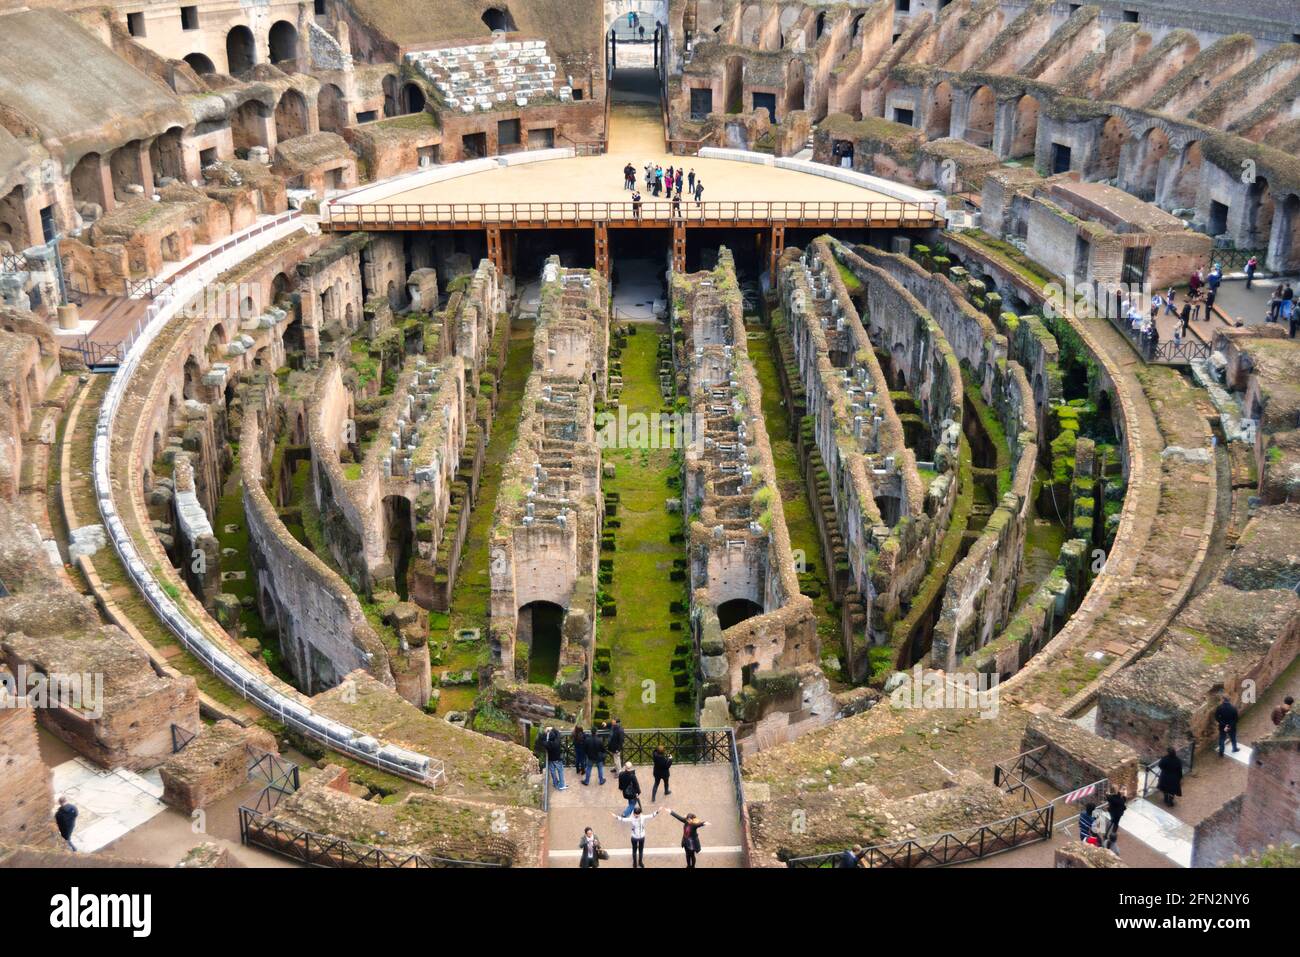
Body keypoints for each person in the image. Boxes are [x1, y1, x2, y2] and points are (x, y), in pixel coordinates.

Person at [544, 726, 567, 790]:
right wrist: (552, 728)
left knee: (553, 771)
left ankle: (555, 783)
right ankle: (562, 785)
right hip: (557, 759)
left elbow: (544, 741)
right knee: (560, 771)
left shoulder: (547, 743)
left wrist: (546, 735)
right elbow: (558, 733)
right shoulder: (557, 741)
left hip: (550, 759)